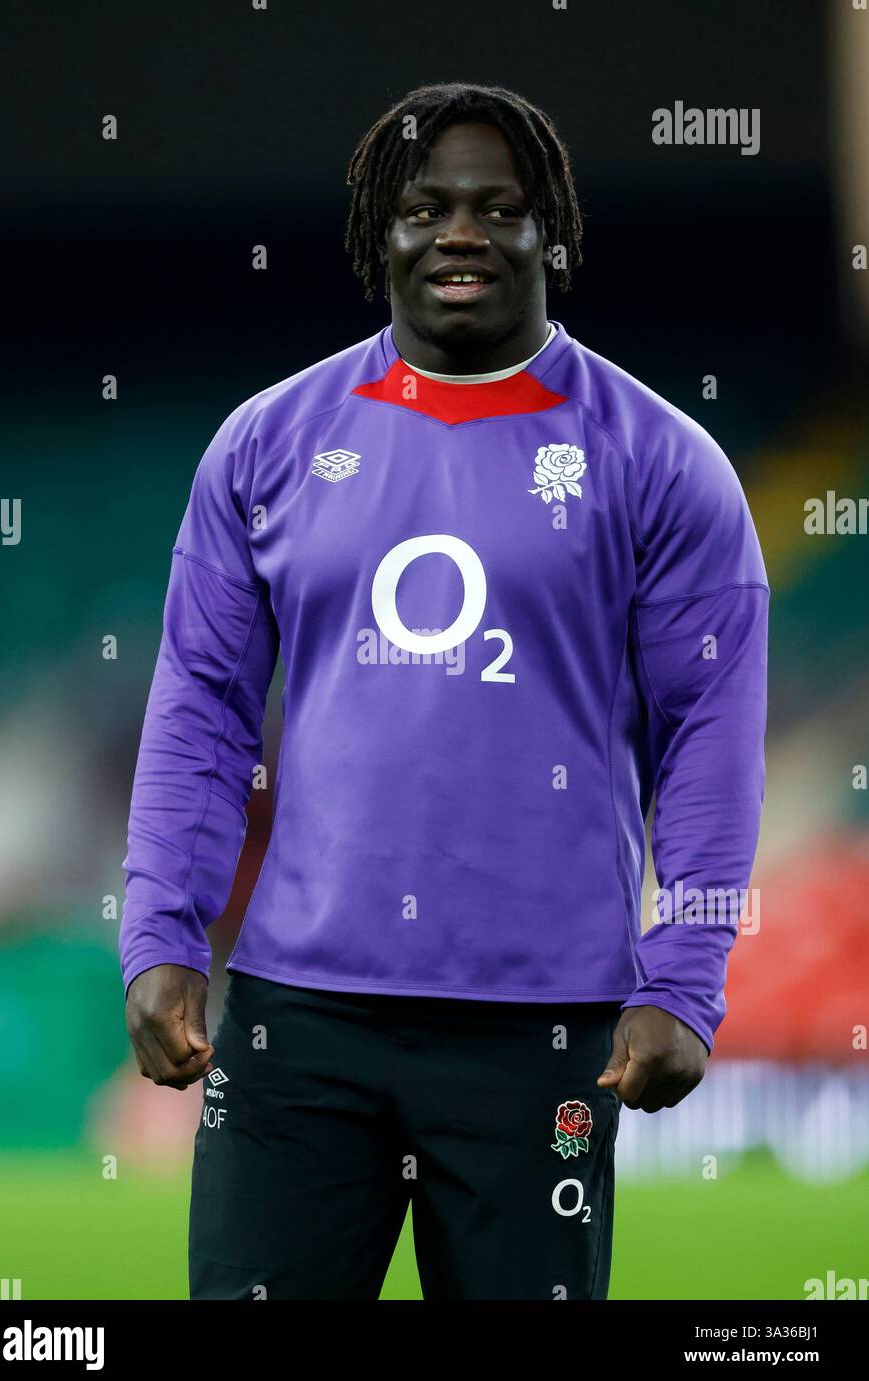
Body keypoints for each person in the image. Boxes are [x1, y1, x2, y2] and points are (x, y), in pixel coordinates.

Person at [120, 81, 769, 1300]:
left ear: (548, 234)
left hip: (544, 1026)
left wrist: (684, 977)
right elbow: (200, 709)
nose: (459, 232)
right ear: (382, 231)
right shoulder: (265, 444)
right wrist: (160, 930)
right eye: (424, 207)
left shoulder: (664, 462)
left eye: (499, 208)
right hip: (296, 1018)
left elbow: (711, 741)